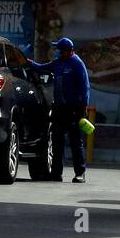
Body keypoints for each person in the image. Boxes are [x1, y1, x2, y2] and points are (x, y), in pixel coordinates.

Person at [28, 37, 91, 183]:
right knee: (57, 142)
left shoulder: (77, 63)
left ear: (69, 51)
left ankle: (80, 173)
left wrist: (83, 108)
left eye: (60, 50)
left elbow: (85, 87)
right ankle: (56, 173)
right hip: (59, 108)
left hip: (74, 108)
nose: (58, 53)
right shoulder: (58, 63)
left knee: (76, 142)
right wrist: (30, 64)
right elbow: (42, 67)